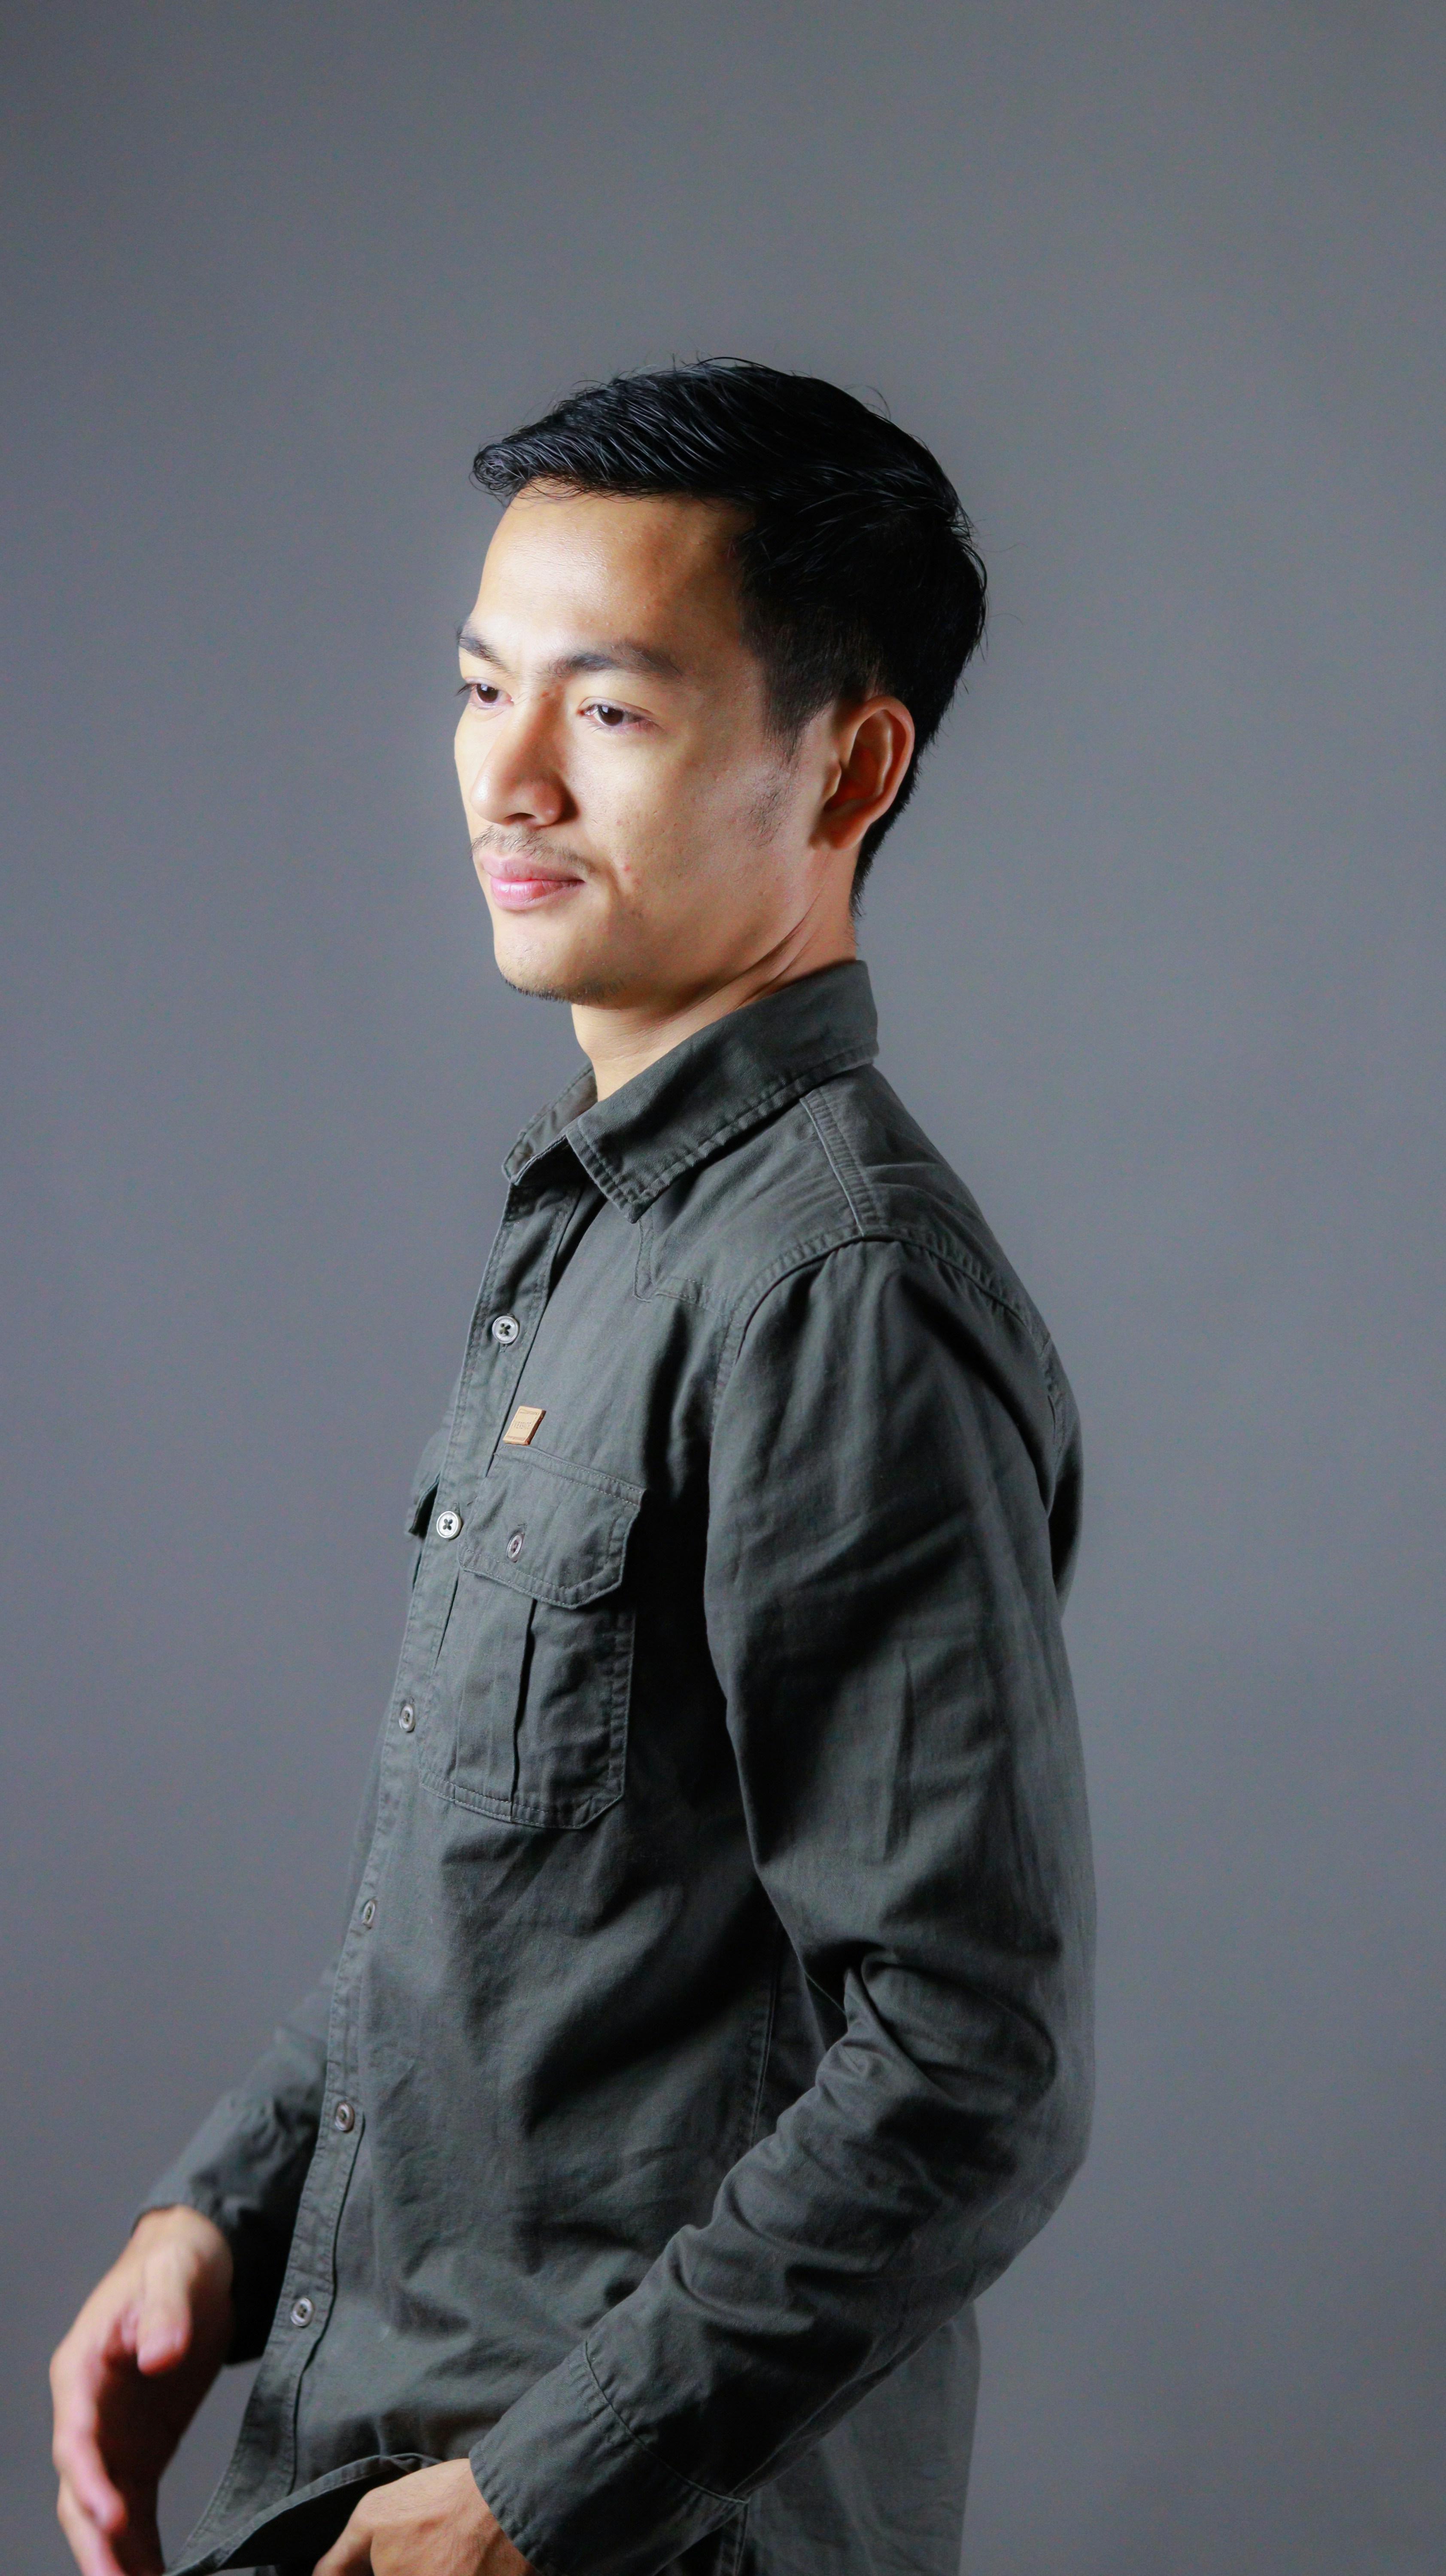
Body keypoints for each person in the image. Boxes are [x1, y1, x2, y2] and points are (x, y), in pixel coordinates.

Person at [51, 359, 1094, 2576]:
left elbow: (965, 2063)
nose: (502, 777)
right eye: (477, 687)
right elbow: (539, 1914)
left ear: (850, 763)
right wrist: (221, 2213)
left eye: (608, 712)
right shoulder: (609, 1236)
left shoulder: (836, 1288)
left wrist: (543, 2494)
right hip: (384, 2479)